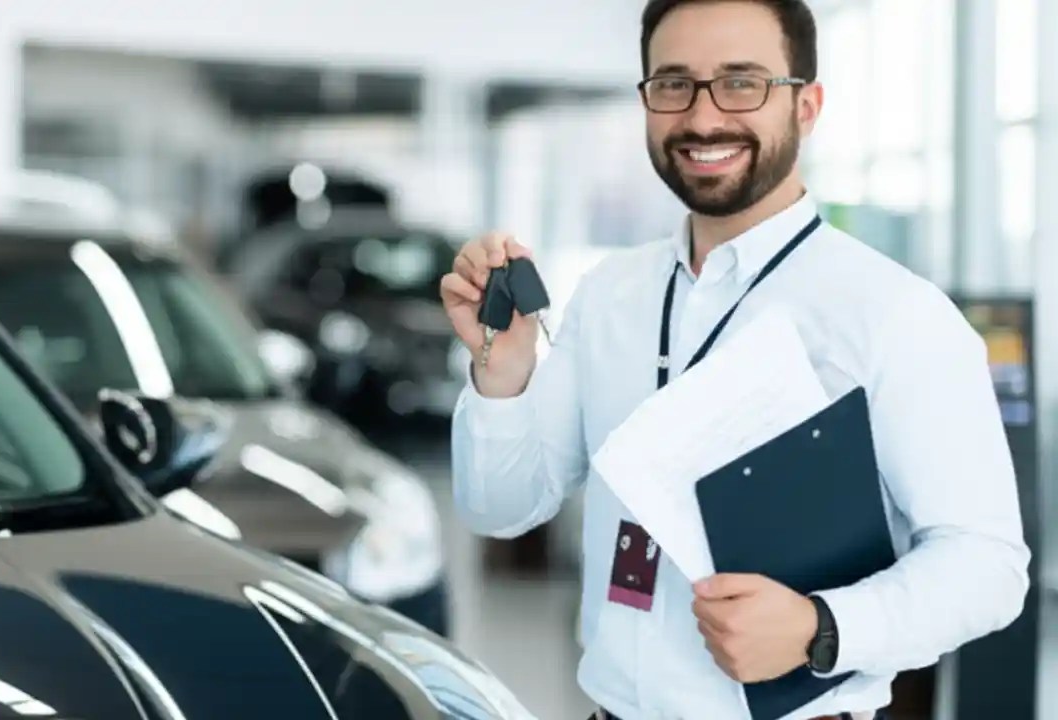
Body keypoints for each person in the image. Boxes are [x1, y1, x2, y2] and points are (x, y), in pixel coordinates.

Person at [440, 1, 1031, 718]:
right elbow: (500, 509)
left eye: (742, 82)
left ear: (807, 106)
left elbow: (989, 567)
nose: (703, 115)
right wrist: (501, 375)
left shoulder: (895, 316)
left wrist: (824, 627)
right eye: (673, 83)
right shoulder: (609, 296)